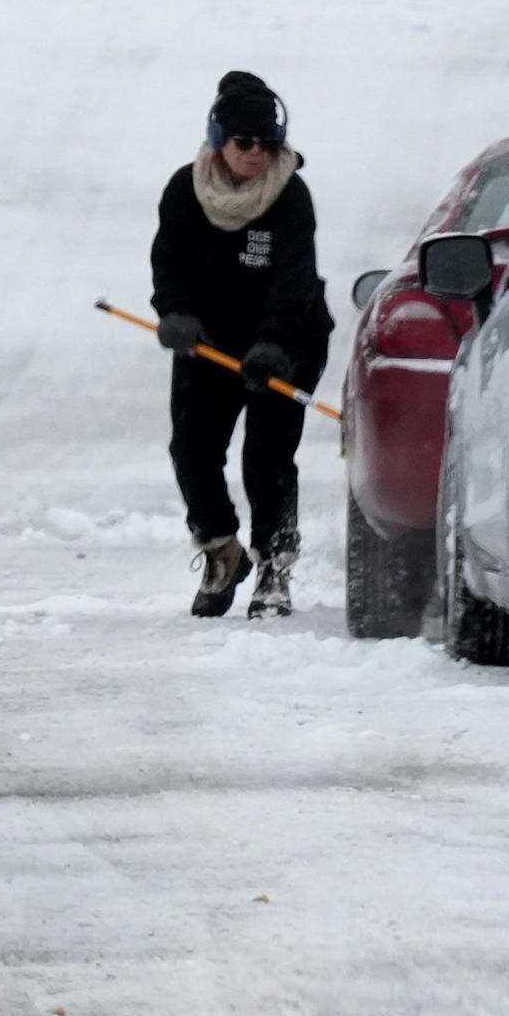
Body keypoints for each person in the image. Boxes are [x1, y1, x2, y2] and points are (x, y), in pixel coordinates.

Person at [147, 70, 331, 619]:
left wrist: (274, 344)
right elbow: (168, 261)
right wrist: (174, 314)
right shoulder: (186, 189)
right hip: (208, 344)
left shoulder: (290, 196)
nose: (256, 153)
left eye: (267, 143)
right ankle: (222, 551)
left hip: (285, 342)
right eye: (244, 141)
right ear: (217, 139)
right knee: (192, 449)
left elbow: (294, 278)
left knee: (266, 456)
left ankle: (274, 567)